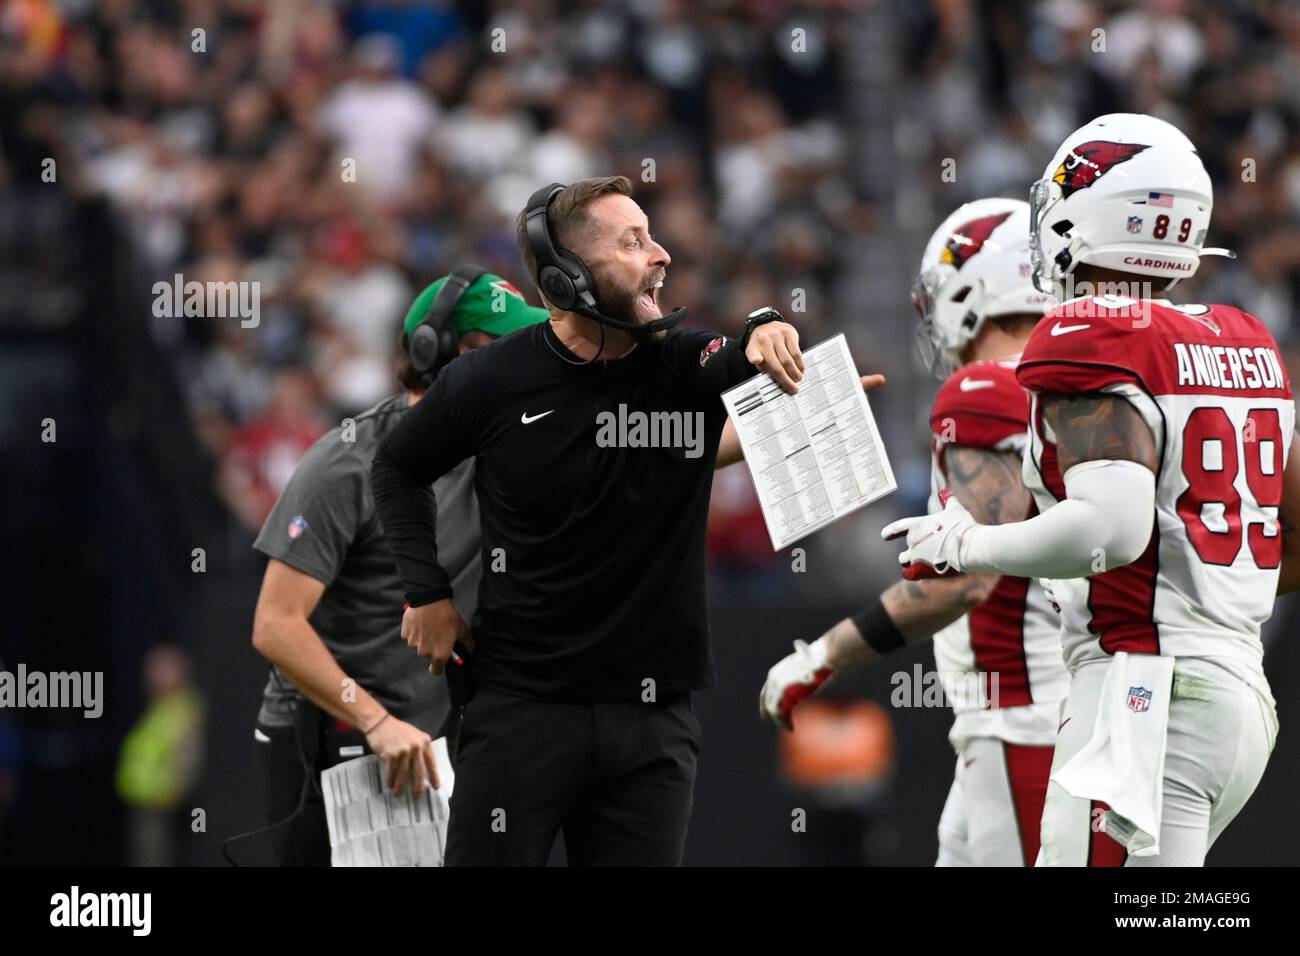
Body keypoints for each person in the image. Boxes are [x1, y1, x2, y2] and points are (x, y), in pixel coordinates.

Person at [886, 113, 1300, 866]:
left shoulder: (1092, 333)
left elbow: (1110, 531)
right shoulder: (1247, 337)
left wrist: (966, 542)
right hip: (1237, 695)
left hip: (1144, 695)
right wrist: (1210, 598)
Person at [370, 175, 807, 866]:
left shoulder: (673, 362)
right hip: (520, 712)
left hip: (652, 721)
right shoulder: (488, 380)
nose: (660, 254)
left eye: (652, 235)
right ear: (568, 275)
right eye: (633, 242)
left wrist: (763, 326)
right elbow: (396, 467)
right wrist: (426, 592)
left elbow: (725, 355)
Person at [760, 198, 1066, 866]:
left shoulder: (988, 388)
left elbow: (963, 585)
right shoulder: (1103, 383)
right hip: (1085, 714)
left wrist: (820, 658)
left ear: (975, 288)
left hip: (1026, 718)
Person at [250, 266, 548, 866]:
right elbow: (275, 625)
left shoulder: (498, 453)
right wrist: (375, 720)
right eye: (510, 347)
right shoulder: (347, 464)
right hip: (332, 738)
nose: (527, 366)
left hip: (425, 741)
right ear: (450, 355)